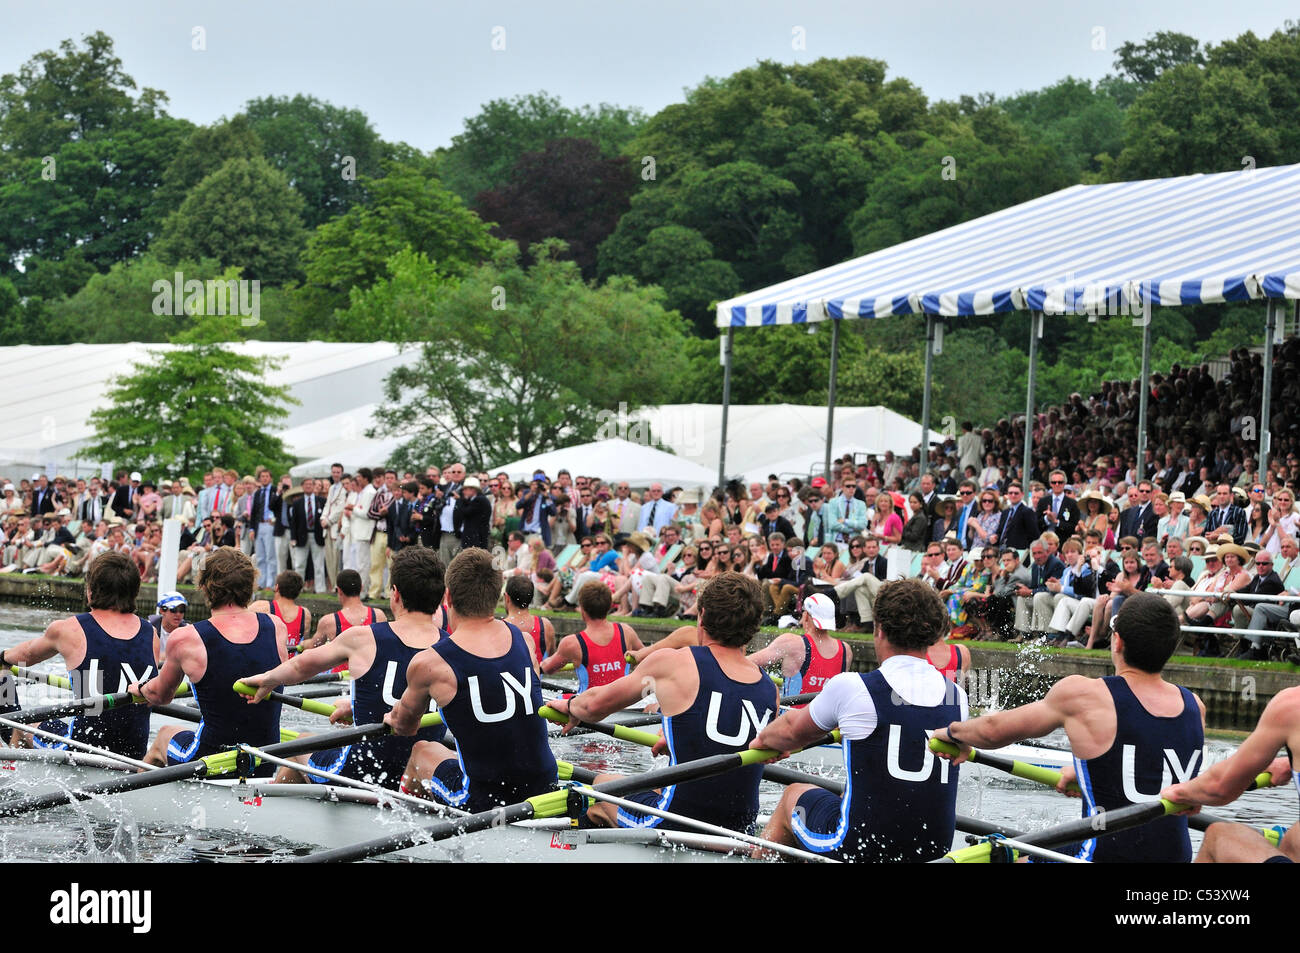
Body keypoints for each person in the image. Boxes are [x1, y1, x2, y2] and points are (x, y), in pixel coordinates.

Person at [936, 592, 1205, 862]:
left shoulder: (1084, 694)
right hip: (1176, 856)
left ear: (1118, 641)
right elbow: (1149, 759)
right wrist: (1090, 775)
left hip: (1103, 854)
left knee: (1007, 857)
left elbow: (993, 730)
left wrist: (952, 733)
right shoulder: (1195, 706)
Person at [751, 579, 966, 861]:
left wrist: (763, 740)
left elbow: (790, 731)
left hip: (859, 846)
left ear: (879, 629)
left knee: (793, 795)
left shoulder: (853, 687)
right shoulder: (957, 697)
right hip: (933, 852)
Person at [548, 572, 779, 833]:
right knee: (655, 785)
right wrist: (679, 740)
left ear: (701, 615)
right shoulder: (769, 689)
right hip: (740, 827)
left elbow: (594, 707)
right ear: (753, 626)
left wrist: (570, 706)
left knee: (603, 785)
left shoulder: (674, 662)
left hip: (675, 821)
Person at [240, 548, 449, 789]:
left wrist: (268, 680)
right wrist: (357, 706)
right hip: (422, 773)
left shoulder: (363, 638)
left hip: (363, 769)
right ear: (441, 597)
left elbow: (301, 666)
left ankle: (279, 814)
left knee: (303, 743)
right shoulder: (453, 649)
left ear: (395, 594)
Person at [392, 548, 557, 812]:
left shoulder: (429, 663)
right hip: (547, 786)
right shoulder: (524, 642)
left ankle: (405, 821)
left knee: (422, 749)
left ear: (447, 597)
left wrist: (393, 714)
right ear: (499, 597)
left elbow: (404, 727)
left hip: (482, 800)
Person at [132, 548, 287, 769]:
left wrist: (140, 688)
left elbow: (160, 695)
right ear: (250, 586)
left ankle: (134, 799)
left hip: (209, 760)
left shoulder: (186, 637)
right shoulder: (276, 626)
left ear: (205, 587)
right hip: (266, 759)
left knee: (164, 735)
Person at [1, 552, 156, 759]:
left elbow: (23, 656)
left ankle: (12, 769)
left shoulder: (69, 629)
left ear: (90, 591)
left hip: (82, 750)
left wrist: (3, 658)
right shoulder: (151, 633)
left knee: (20, 719)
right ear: (135, 591)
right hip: (133, 754)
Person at [1160, 686, 1299, 863]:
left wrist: (1182, 793)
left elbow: (1219, 788)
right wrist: (1290, 762)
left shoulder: (1292, 704)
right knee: (1292, 839)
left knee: (1218, 835)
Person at [747, 592, 851, 701]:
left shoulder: (792, 643)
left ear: (806, 616)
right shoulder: (846, 651)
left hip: (791, 715)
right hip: (827, 718)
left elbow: (746, 663)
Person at [541, 583, 645, 690]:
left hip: (587, 705)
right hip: (623, 702)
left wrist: (536, 663)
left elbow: (548, 669)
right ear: (609, 606)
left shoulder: (571, 643)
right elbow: (646, 656)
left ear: (582, 609)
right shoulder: (626, 631)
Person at [248, 570, 313, 654]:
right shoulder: (305, 614)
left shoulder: (261, 607)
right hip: (291, 664)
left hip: (268, 664)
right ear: (298, 591)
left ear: (276, 587)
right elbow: (304, 645)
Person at [503, 575, 555, 665]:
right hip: (537, 678)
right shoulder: (546, 625)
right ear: (530, 598)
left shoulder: (499, 628)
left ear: (507, 597)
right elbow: (552, 663)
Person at [149, 590, 188, 664]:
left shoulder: (189, 631)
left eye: (182, 610)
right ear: (162, 610)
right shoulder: (148, 628)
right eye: (174, 610)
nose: (178, 614)